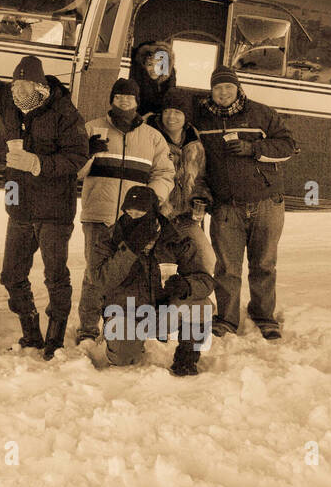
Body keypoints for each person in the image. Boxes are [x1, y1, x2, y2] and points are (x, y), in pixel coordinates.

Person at [0, 29, 88, 359]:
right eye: (15, 86)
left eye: (25, 87)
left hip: (54, 212)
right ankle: (31, 332)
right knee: (11, 276)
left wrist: (37, 163)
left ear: (41, 87)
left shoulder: (65, 114)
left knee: (55, 277)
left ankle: (54, 338)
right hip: (20, 209)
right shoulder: (8, 103)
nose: (18, 92)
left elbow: (77, 157)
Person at [195, 66, 297, 340]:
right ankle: (227, 319)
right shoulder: (202, 122)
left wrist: (254, 149)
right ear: (211, 91)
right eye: (218, 88)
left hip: (266, 202)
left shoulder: (262, 113)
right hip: (227, 206)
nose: (223, 92)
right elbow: (197, 162)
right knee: (227, 267)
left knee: (264, 263)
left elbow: (288, 146)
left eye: (228, 87)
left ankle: (264, 316)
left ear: (238, 89)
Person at [74, 77, 175, 347]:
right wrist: (88, 154)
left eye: (129, 97)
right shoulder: (92, 128)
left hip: (134, 220)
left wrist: (150, 200)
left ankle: (121, 324)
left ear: (137, 102)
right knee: (95, 274)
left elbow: (165, 173)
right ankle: (87, 329)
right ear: (112, 99)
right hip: (99, 214)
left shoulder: (153, 137)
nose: (124, 101)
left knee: (131, 272)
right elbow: (74, 171)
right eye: (119, 97)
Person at [87, 185, 214, 375]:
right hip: (125, 313)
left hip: (162, 313)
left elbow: (205, 280)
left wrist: (186, 285)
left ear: (153, 213)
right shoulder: (111, 237)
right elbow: (100, 281)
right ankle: (125, 343)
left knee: (201, 305)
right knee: (124, 361)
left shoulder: (174, 238)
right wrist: (129, 249)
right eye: (129, 212)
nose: (134, 217)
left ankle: (186, 360)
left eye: (140, 213)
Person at [150, 87, 215, 275]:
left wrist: (199, 200)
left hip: (185, 218)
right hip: (156, 218)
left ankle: (190, 301)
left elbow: (201, 179)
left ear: (186, 116)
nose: (171, 117)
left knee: (207, 262)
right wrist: (158, 204)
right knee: (158, 270)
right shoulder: (151, 137)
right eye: (167, 111)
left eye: (177, 112)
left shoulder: (195, 144)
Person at [131, 40, 177, 118]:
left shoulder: (169, 79)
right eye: (150, 64)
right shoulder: (137, 81)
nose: (154, 69)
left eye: (159, 65)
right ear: (144, 65)